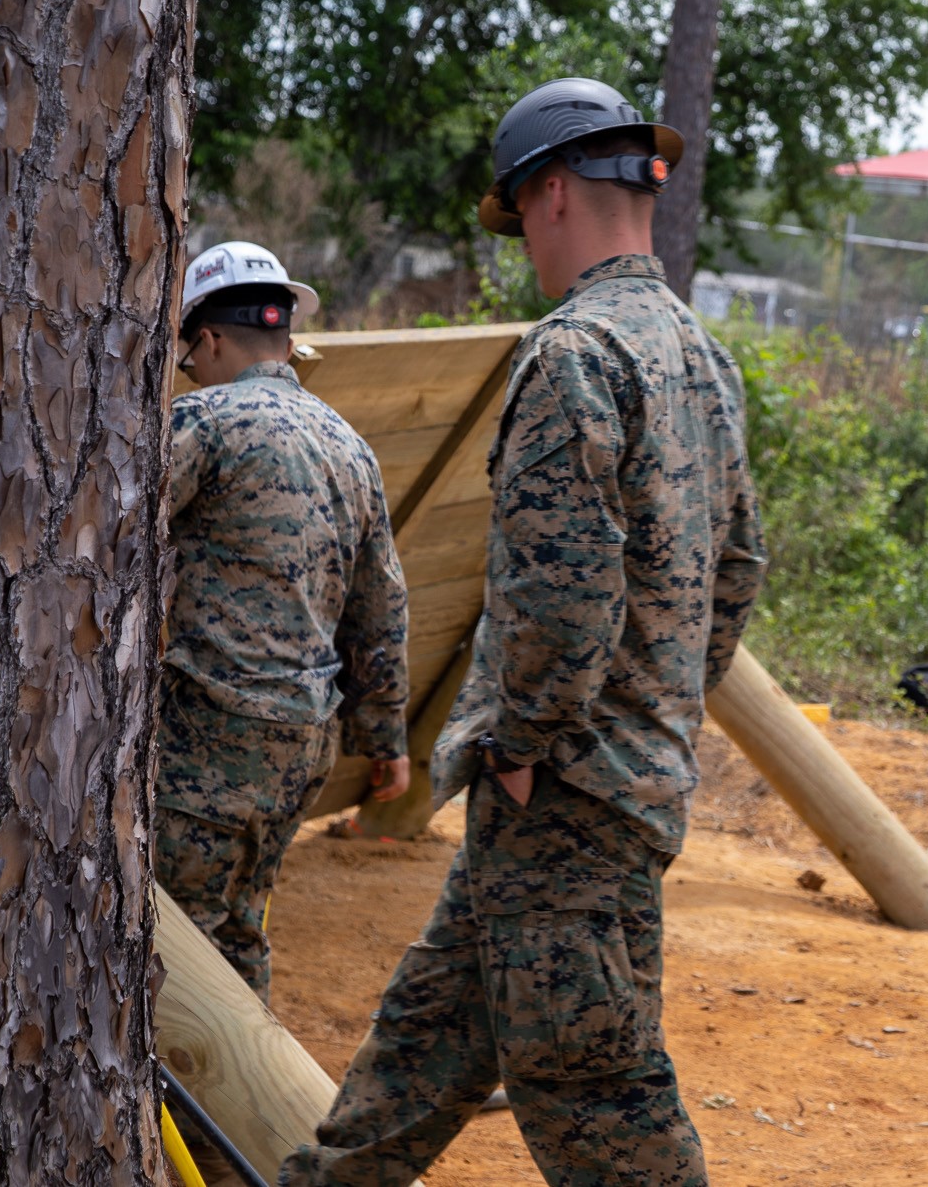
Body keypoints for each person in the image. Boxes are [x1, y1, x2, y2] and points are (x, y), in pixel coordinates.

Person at [281, 78, 766, 1187]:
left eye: (518, 220)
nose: (523, 251)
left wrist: (518, 743)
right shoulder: (699, 354)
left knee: (592, 1087)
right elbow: (736, 567)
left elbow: (562, 591)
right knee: (431, 1038)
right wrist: (659, 709)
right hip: (614, 778)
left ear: (550, 193)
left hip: (564, 793)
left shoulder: (574, 353)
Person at [162, 242, 410, 1002]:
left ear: (208, 339)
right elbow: (382, 608)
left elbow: (98, 541)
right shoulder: (349, 445)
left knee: (172, 946)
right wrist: (388, 740)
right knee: (240, 928)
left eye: (186, 355)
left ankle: (167, 1117)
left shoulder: (201, 421)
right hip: (302, 748)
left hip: (205, 742)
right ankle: (239, 1118)